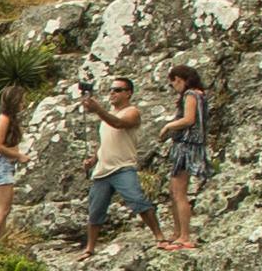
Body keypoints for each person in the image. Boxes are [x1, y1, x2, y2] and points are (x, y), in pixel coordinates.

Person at [85, 75, 159, 240]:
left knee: (138, 201)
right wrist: (93, 160)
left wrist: (98, 110)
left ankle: (159, 236)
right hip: (102, 170)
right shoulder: (108, 115)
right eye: (111, 90)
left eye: (118, 90)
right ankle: (90, 248)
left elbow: (119, 123)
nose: (112, 93)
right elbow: (104, 141)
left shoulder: (132, 112)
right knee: (95, 211)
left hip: (123, 167)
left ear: (129, 93)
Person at [162, 56, 213, 254]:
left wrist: (168, 126)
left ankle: (184, 235)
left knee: (179, 192)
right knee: (174, 191)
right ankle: (177, 233)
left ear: (180, 79)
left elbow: (189, 119)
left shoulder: (191, 94)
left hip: (187, 146)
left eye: (174, 81)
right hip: (189, 145)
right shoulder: (200, 94)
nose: (174, 86)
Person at [0, 80, 29, 241]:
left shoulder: (9, 119)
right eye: (21, 100)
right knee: (3, 209)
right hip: (1, 166)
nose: (24, 103)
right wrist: (18, 156)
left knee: (5, 210)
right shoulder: (4, 120)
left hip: (5, 167)